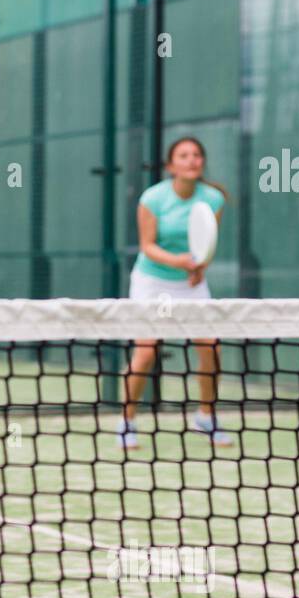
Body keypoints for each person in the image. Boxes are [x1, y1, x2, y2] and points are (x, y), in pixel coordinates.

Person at [119, 136, 231, 451]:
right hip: (151, 282)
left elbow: (206, 242)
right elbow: (147, 246)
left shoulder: (213, 199)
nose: (191, 160)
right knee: (146, 351)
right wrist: (180, 262)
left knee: (212, 349)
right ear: (171, 165)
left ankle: (206, 417)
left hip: (190, 284)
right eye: (183, 155)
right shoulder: (152, 199)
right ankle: (126, 423)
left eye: (197, 154)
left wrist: (199, 267)